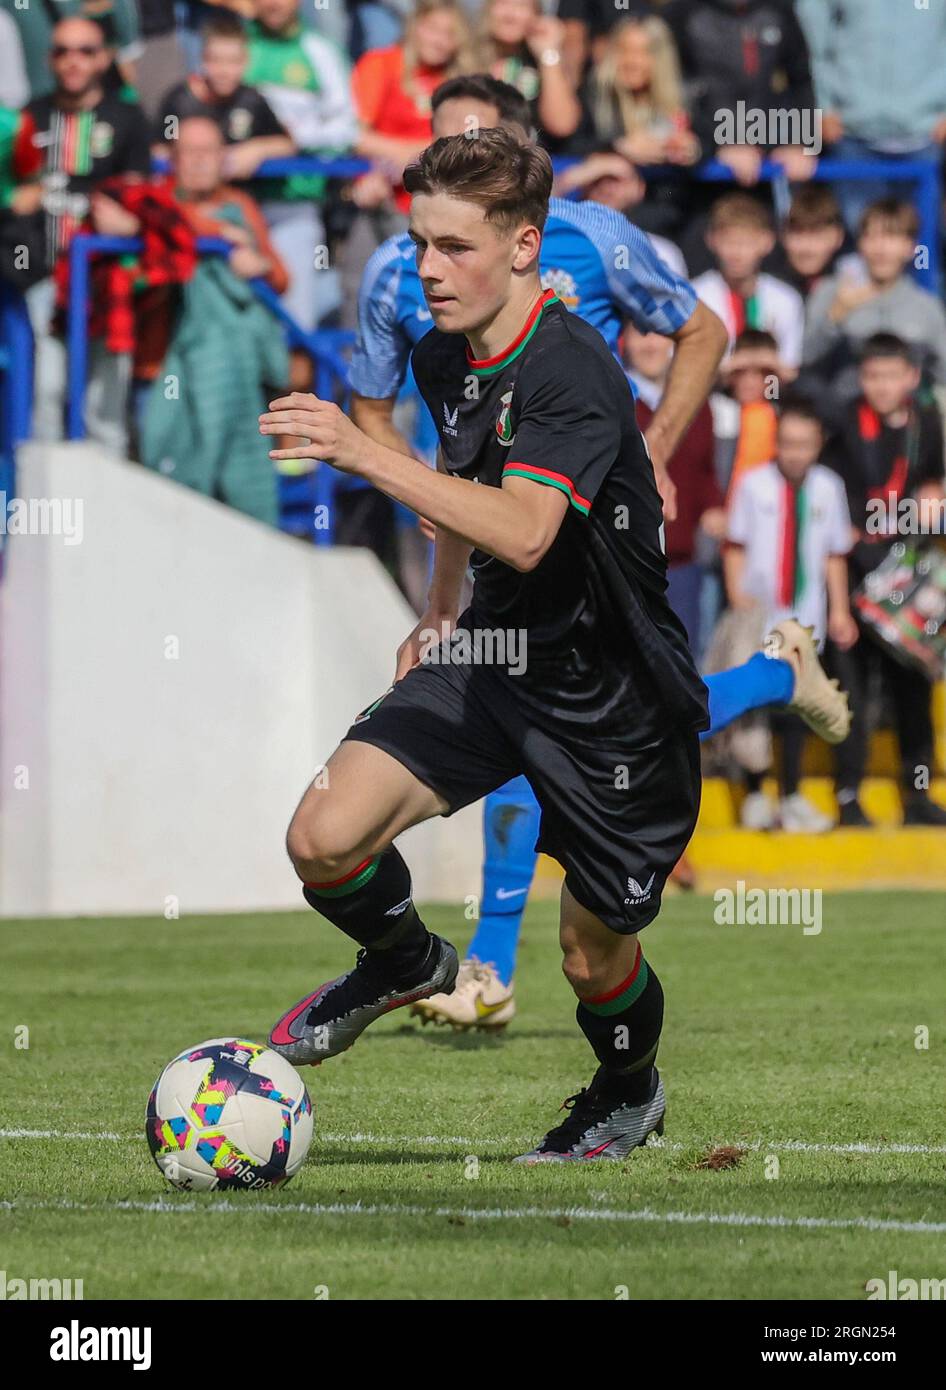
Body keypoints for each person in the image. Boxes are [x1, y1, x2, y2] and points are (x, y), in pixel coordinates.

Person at [257, 129, 850, 1166]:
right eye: (415, 244)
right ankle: (402, 960)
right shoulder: (446, 353)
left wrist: (361, 452)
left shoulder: (574, 366)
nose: (423, 270)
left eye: (452, 248)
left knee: (590, 954)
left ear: (526, 244)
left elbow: (527, 528)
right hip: (491, 659)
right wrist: (439, 613)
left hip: (612, 702)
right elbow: (464, 503)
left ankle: (627, 1092)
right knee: (322, 837)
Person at [824, 334, 946, 829]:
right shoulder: (845, 423)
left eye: (892, 375)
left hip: (908, 581)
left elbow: (934, 487)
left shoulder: (929, 423)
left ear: (911, 378)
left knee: (913, 689)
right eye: (873, 375)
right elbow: (834, 501)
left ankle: (918, 794)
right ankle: (848, 797)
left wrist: (936, 495)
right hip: (856, 580)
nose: (882, 386)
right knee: (851, 692)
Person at [723, 397, 857, 832]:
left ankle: (793, 794)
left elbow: (835, 555)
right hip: (760, 614)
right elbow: (736, 545)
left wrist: (839, 610)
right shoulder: (753, 484)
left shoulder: (828, 488)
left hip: (804, 618)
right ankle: (757, 793)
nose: (795, 452)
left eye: (804, 444)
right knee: (755, 705)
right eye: (787, 443)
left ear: (818, 445)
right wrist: (737, 597)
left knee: (796, 706)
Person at [24, 16, 151, 450]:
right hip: (40, 280)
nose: (72, 61)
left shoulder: (129, 119)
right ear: (49, 58)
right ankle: (43, 512)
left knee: (105, 409)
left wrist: (130, 223)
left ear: (105, 57)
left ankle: (105, 512)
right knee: (44, 395)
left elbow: (144, 206)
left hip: (108, 283)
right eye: (62, 51)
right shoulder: (29, 117)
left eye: (85, 51)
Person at [796, 0, 946, 232]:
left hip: (926, 134)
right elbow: (810, 39)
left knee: (922, 249)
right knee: (860, 244)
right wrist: (821, 108)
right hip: (851, 133)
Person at [803, 199, 946, 412]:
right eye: (871, 237)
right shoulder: (831, 291)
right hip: (843, 419)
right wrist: (836, 315)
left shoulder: (926, 306)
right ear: (860, 244)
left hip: (908, 423)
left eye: (891, 237)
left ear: (911, 248)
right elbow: (804, 359)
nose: (880, 248)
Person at [154, 15, 294, 181]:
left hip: (239, 196)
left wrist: (257, 149)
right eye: (216, 60)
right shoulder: (178, 102)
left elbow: (287, 144)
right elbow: (161, 148)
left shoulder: (252, 101)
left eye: (233, 61)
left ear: (245, 62)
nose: (224, 71)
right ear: (203, 60)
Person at [693, 193, 805, 370]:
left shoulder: (786, 299)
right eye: (728, 242)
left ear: (767, 242)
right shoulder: (696, 296)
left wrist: (768, 378)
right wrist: (735, 367)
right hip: (712, 393)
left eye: (746, 243)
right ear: (712, 240)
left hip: (770, 390)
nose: (736, 253)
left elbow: (789, 367)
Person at [474, 0, 581, 146]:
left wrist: (547, 52)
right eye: (503, 3)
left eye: (522, 6)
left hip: (528, 161)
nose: (510, 15)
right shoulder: (466, 55)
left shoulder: (541, 62)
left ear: (537, 16)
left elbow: (562, 125)